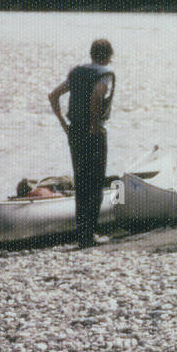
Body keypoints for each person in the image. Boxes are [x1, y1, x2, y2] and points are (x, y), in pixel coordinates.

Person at [47, 39, 116, 247]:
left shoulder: (76, 73)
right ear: (109, 55)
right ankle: (90, 235)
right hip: (92, 131)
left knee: (81, 181)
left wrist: (63, 124)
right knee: (95, 182)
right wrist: (95, 127)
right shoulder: (105, 74)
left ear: (91, 54)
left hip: (75, 130)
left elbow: (53, 96)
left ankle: (81, 234)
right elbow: (97, 95)